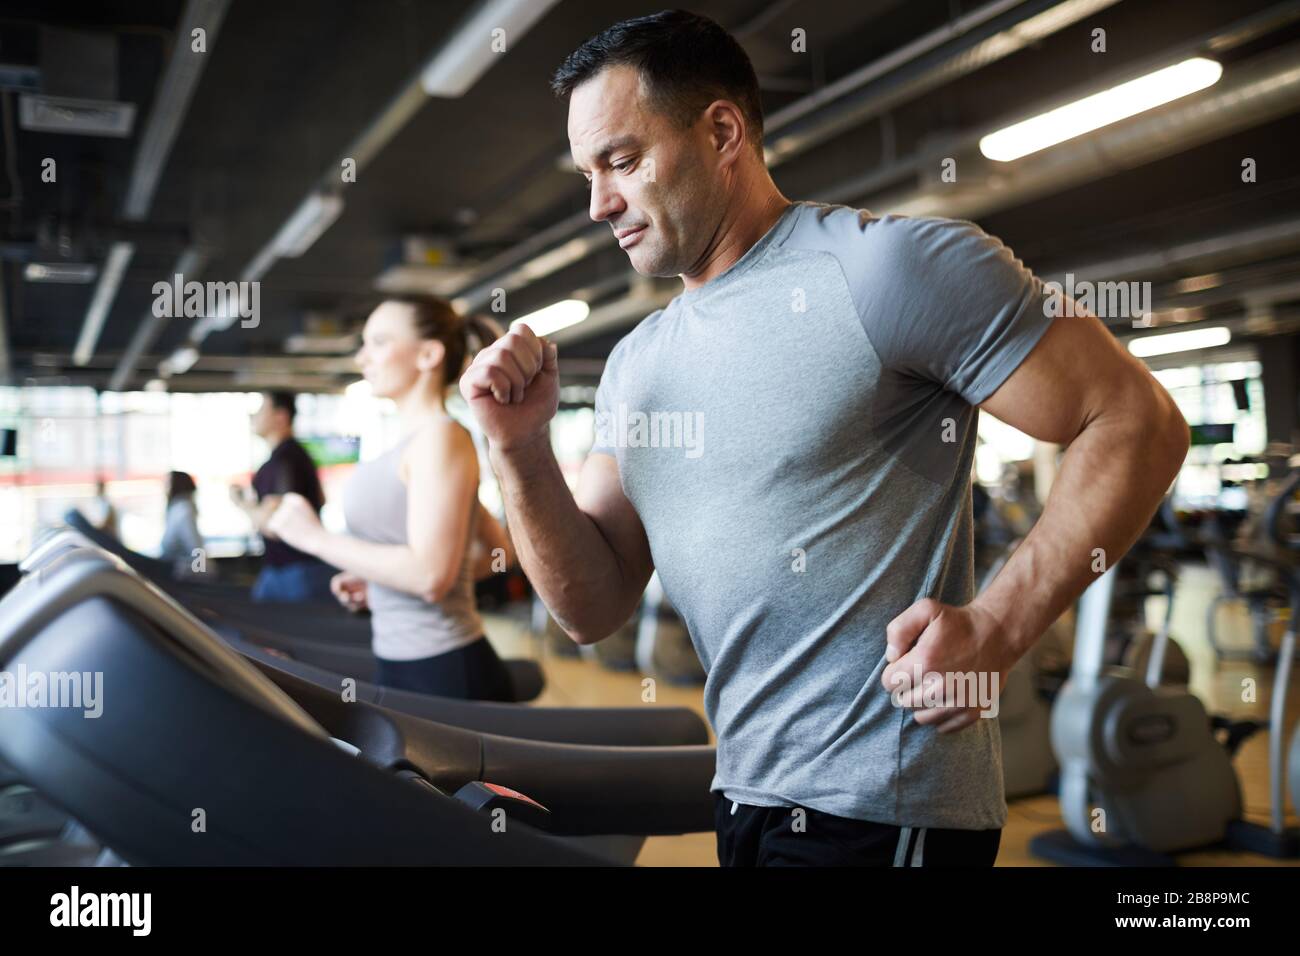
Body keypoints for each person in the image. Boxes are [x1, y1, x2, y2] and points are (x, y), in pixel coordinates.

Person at [458, 11, 1190, 866]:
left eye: (622, 161)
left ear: (723, 131)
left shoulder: (888, 270)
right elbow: (590, 606)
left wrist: (999, 624)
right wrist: (516, 448)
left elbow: (1138, 419)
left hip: (883, 805)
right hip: (746, 791)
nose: (599, 204)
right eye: (588, 174)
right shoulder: (637, 365)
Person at [266, 295, 517, 700]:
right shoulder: (409, 444)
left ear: (427, 355)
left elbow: (431, 576)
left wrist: (315, 539)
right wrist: (383, 583)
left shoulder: (442, 437)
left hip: (446, 669)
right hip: (402, 661)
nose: (363, 357)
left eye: (379, 342)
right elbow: (497, 552)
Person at [231, 391, 335, 603]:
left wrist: (240, 502)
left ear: (281, 416)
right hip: (290, 569)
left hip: (294, 573)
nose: (255, 417)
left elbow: (274, 525)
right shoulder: (293, 456)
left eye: (261, 410)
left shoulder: (285, 460)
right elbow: (321, 499)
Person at [159, 471, 202, 569]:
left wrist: (202, 569)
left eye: (168, 483)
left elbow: (195, 546)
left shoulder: (183, 509)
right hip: (174, 567)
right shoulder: (181, 508)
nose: (165, 488)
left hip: (176, 569)